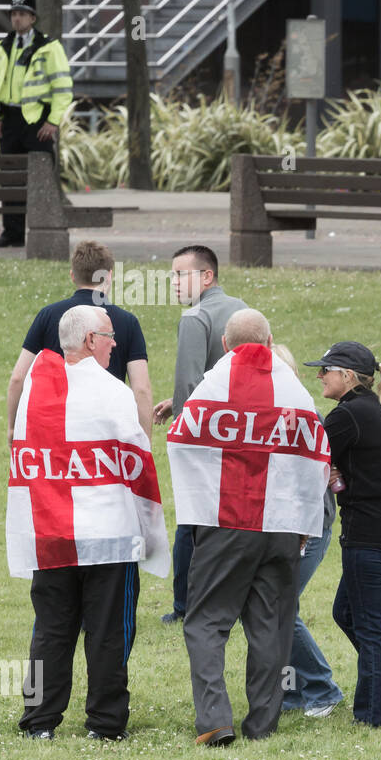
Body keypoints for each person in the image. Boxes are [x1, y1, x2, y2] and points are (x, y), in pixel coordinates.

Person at [8, 305, 169, 740]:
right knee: (108, 631)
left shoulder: (35, 395)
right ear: (90, 341)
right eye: (110, 336)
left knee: (51, 630)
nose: (116, 343)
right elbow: (137, 464)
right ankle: (106, 721)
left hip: (52, 534)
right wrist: (150, 527)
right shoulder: (111, 391)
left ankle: (39, 720)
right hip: (108, 537)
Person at [168, 310, 329, 745]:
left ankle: (216, 720)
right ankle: (263, 724)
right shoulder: (295, 392)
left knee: (206, 622)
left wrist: (198, 505)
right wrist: (302, 520)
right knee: (271, 626)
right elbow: (317, 457)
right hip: (281, 525)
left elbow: (180, 443)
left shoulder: (212, 387)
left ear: (224, 344)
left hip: (226, 521)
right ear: (271, 339)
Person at [304, 341, 381, 728]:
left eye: (326, 370)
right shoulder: (371, 410)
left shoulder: (347, 416)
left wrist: (329, 472)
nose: (319, 375)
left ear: (348, 377)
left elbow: (311, 461)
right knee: (347, 613)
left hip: (371, 536)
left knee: (369, 626)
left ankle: (376, 716)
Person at [152, 244, 247, 625]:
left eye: (180, 274)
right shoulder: (243, 310)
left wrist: (181, 410)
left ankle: (184, 606)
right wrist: (175, 400)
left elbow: (192, 384)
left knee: (192, 522)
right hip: (245, 432)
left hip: (206, 439)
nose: (174, 283)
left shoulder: (195, 318)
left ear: (206, 276)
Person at [7, 240, 151, 450]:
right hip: (105, 427)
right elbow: (141, 388)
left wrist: (12, 427)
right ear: (109, 276)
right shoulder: (128, 322)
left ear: (73, 275)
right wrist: (144, 442)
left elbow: (18, 378)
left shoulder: (48, 316)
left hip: (55, 426)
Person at [272, 344, 344, 718]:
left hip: (309, 528)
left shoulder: (305, 417)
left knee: (280, 606)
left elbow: (314, 481)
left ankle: (321, 688)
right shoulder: (268, 415)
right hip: (280, 527)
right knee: (274, 607)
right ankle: (291, 693)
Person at [0, 0, 72, 248]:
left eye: (22, 14)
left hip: (37, 121)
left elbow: (63, 87)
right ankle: (12, 233)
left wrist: (53, 121)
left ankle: (46, 232)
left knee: (42, 176)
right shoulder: (4, 46)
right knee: (9, 177)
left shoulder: (49, 47)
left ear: (33, 18)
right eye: (14, 14)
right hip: (9, 119)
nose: (17, 19)